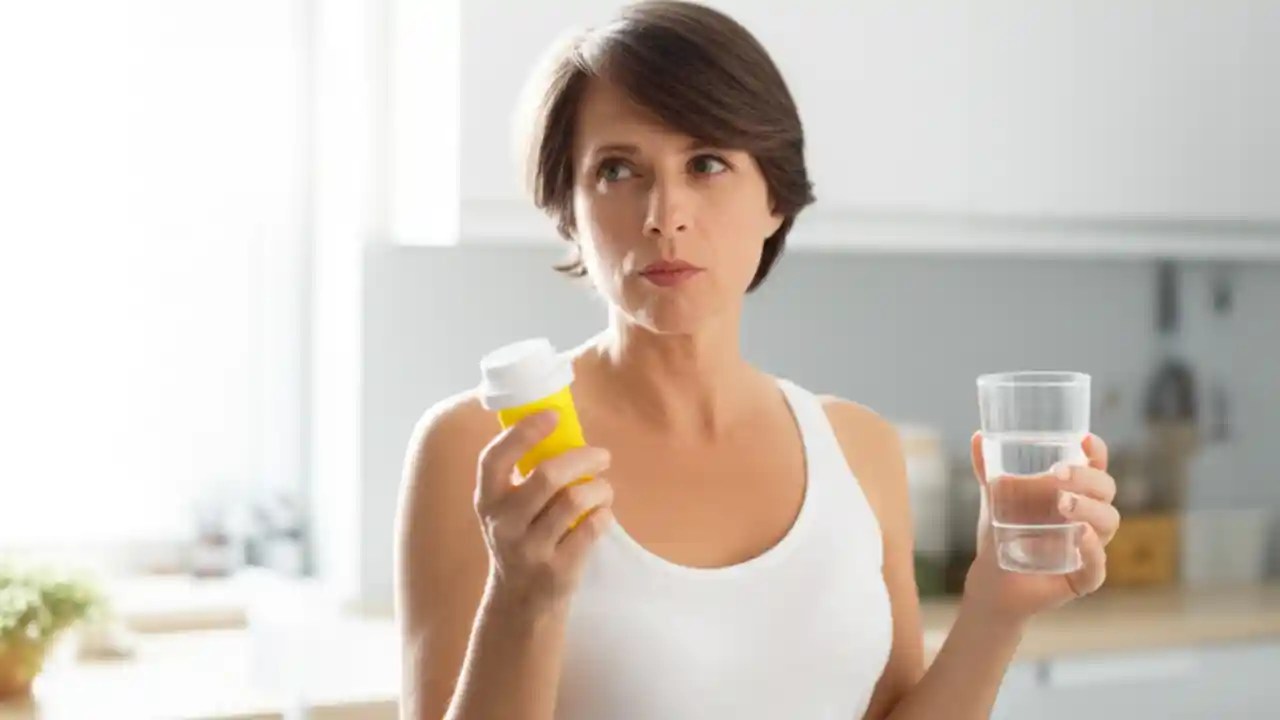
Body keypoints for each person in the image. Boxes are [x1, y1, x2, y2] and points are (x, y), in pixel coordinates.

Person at [394, 2, 1121, 719]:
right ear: (568, 210)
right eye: (617, 170)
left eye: (707, 163)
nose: (665, 216)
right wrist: (524, 599)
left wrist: (997, 606)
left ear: (775, 195)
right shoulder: (487, 453)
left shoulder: (858, 449)